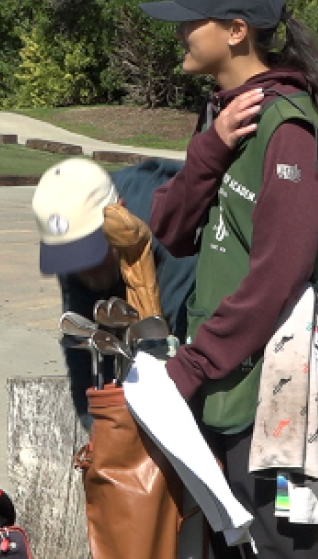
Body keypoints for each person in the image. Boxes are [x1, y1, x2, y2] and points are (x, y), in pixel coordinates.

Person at [141, 0, 318, 558]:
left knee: (278, 548)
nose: (181, 32)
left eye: (192, 20)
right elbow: (171, 228)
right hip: (220, 378)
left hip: (274, 389)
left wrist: (191, 367)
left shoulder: (288, 127)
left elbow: (278, 278)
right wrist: (210, 148)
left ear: (236, 30)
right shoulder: (226, 114)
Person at [31, 157, 198, 427]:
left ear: (119, 214)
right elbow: (82, 350)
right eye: (73, 259)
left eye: (90, 255)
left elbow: (186, 355)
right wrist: (98, 430)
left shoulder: (172, 226)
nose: (83, 271)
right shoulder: (76, 228)